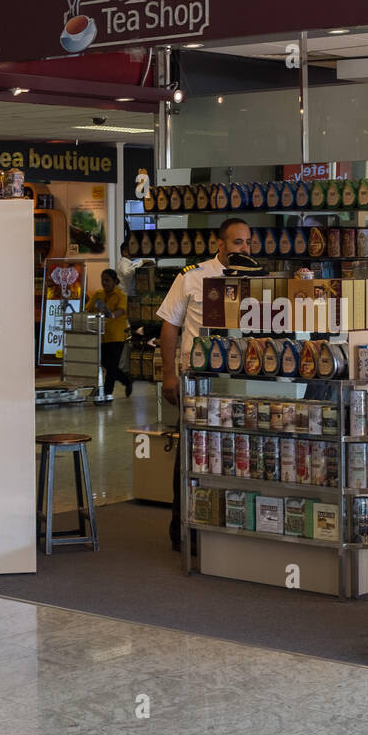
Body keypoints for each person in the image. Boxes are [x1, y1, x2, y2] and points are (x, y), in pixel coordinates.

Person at [157, 217, 252, 550]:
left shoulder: (254, 280)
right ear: (220, 244)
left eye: (248, 242)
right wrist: (169, 374)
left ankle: (227, 528)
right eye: (237, 242)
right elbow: (169, 327)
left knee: (229, 453)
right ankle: (183, 533)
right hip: (197, 381)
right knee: (191, 453)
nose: (244, 248)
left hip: (238, 383)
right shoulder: (192, 277)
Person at [88, 268, 131, 398]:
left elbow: (121, 310)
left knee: (112, 365)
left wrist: (112, 314)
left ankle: (107, 392)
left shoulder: (121, 295)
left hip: (117, 336)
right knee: (105, 363)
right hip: (102, 336)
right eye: (103, 280)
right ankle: (126, 380)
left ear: (114, 281)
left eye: (108, 280)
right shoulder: (98, 294)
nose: (105, 283)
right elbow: (88, 307)